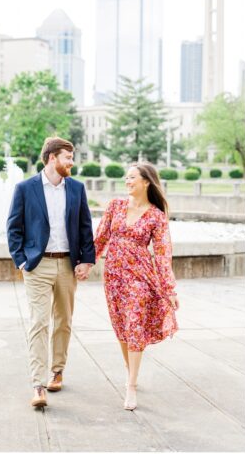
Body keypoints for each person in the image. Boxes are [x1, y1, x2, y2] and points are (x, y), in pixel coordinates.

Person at [6, 137, 95, 409]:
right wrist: (21, 261)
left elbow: (84, 227)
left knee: (64, 321)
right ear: (52, 158)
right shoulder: (25, 188)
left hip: (67, 265)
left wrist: (86, 261)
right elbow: (14, 228)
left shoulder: (77, 189)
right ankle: (38, 384)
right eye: (67, 157)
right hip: (38, 266)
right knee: (38, 323)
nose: (71, 162)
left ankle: (58, 370)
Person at [93, 162, 179, 411]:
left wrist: (170, 289)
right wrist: (85, 264)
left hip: (140, 277)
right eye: (126, 178)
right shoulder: (115, 206)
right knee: (122, 326)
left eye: (132, 178)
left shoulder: (156, 216)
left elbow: (163, 255)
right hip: (114, 277)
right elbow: (100, 238)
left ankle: (131, 386)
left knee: (135, 325)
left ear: (146, 182)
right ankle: (132, 371)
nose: (127, 181)